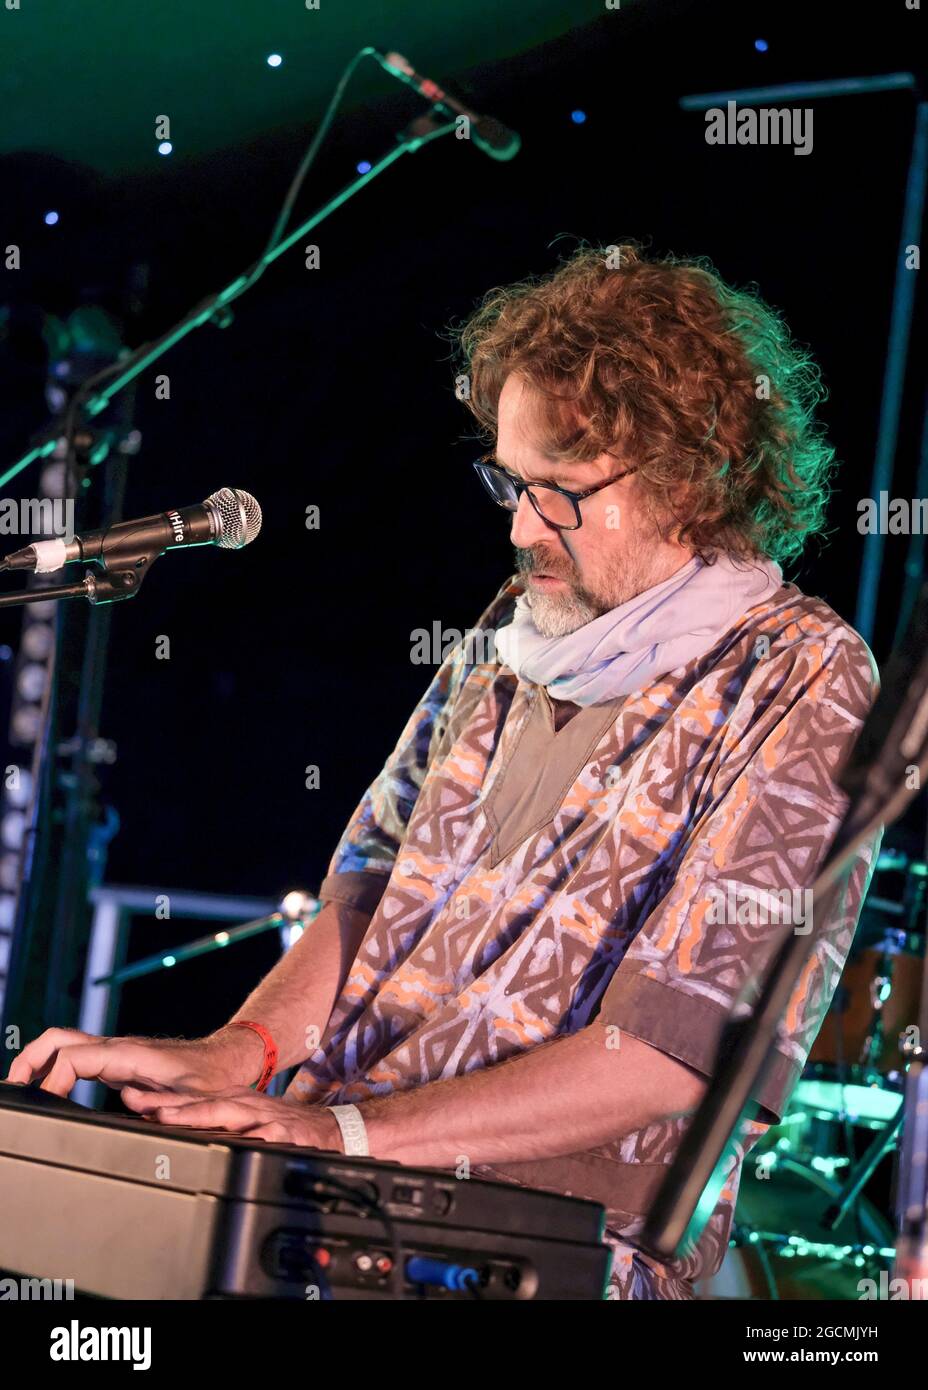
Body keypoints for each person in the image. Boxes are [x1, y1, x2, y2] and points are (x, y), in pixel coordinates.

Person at [7, 242, 881, 1299]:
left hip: (551, 1249)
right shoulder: (511, 629)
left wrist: (350, 1131)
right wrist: (241, 1050)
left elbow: (680, 1053)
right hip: (343, 1173)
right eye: (510, 482)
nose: (520, 528)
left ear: (690, 480)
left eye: (557, 491)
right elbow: (367, 890)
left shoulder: (805, 676)